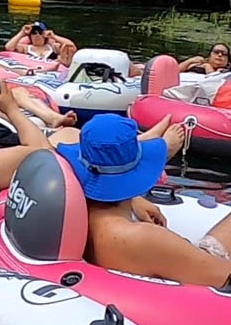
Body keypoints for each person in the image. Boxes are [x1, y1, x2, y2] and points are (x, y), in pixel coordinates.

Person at [57, 114, 230, 288]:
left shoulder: (71, 211)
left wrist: (135, 200)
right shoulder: (146, 238)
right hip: (203, 278)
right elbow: (225, 279)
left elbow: (57, 137)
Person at [5, 21, 78, 67]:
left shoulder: (53, 47)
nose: (37, 35)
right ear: (30, 36)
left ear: (45, 34)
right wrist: (22, 33)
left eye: (40, 33)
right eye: (34, 33)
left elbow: (71, 46)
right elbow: (9, 47)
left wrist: (54, 36)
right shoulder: (25, 48)